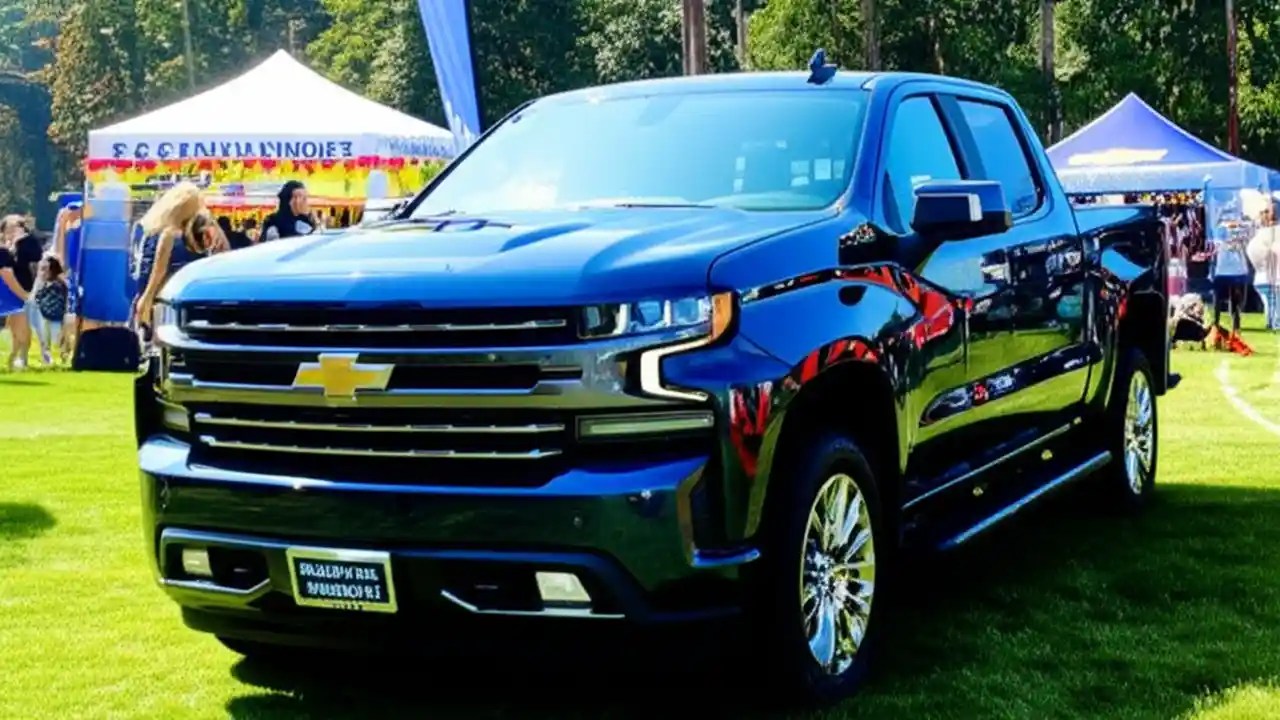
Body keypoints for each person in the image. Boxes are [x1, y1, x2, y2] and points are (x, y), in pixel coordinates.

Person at [133, 183, 223, 331]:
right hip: (186, 296)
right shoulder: (196, 232)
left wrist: (146, 298)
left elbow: (158, 271)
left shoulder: (168, 232)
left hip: (166, 296)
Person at [1, 215, 40, 369]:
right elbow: (7, 274)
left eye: (15, 228)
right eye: (8, 229)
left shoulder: (27, 245)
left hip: (20, 290)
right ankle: (18, 360)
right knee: (19, 327)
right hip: (13, 293)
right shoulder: (4, 251)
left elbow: (35, 259)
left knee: (20, 327)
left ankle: (18, 359)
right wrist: (23, 295)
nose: (11, 232)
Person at [32, 254, 68, 366]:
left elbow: (59, 301)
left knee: (57, 339)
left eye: (45, 270)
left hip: (55, 317)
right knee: (44, 340)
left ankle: (64, 356)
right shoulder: (42, 284)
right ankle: (46, 360)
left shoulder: (58, 285)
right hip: (44, 315)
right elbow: (36, 298)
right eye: (41, 270)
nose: (42, 273)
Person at [1247, 205, 1279, 330]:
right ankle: (1274, 323)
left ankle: (1271, 322)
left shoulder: (1257, 239)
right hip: (1272, 277)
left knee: (1270, 303)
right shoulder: (1272, 237)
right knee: (1274, 303)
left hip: (1260, 277)